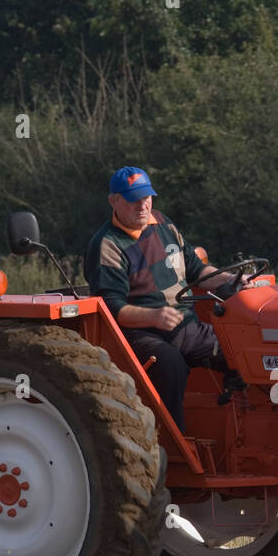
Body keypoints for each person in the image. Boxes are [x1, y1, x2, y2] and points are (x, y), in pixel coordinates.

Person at [84, 166, 241, 431]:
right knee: (171, 367)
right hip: (140, 333)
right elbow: (112, 309)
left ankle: (240, 430)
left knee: (240, 353)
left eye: (147, 197)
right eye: (134, 199)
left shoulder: (163, 223)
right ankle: (172, 451)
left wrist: (231, 280)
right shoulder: (107, 245)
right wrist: (154, 317)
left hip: (187, 326)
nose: (142, 205)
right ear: (114, 201)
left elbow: (197, 270)